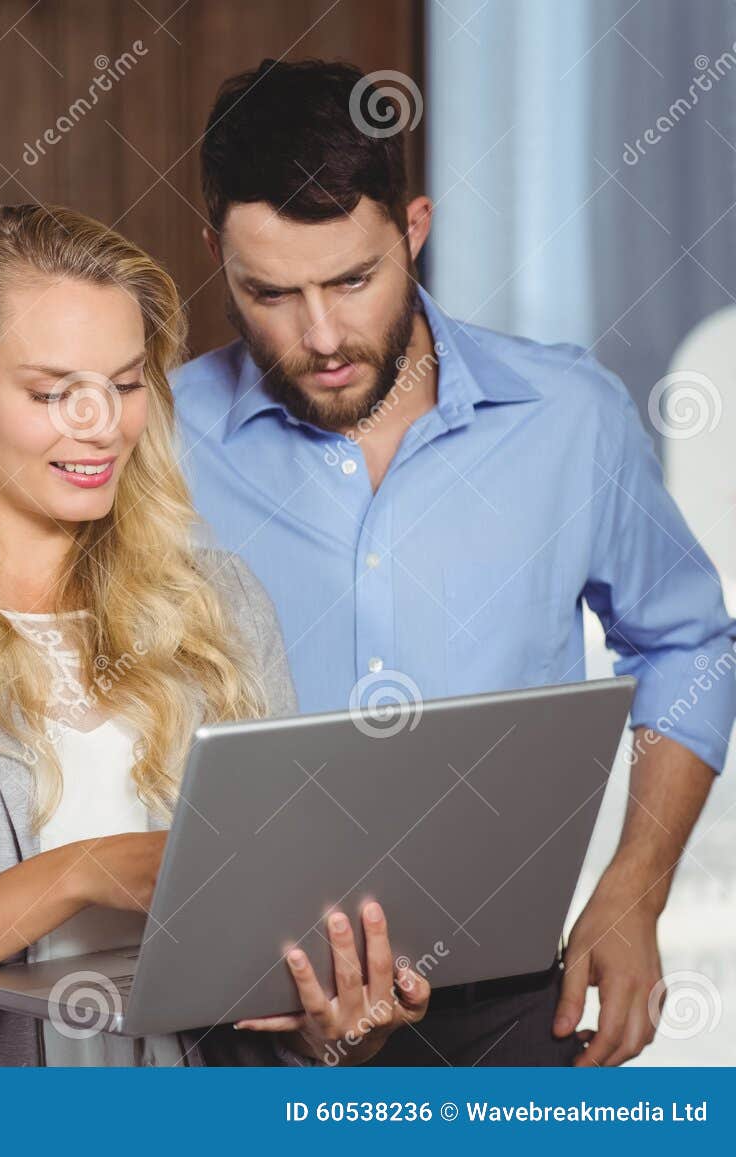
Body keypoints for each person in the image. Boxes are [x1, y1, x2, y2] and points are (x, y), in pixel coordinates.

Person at [0, 203, 431, 1066]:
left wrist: (327, 1023)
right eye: (50, 392)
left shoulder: (217, 601)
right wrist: (81, 872)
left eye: (125, 382)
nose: (101, 423)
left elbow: (268, 957)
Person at [173, 58, 736, 1066]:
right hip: (243, 1019)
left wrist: (633, 888)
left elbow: (689, 639)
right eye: (270, 292)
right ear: (216, 254)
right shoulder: (152, 444)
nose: (321, 336)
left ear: (415, 229)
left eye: (353, 280)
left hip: (514, 1008)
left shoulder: (571, 417)